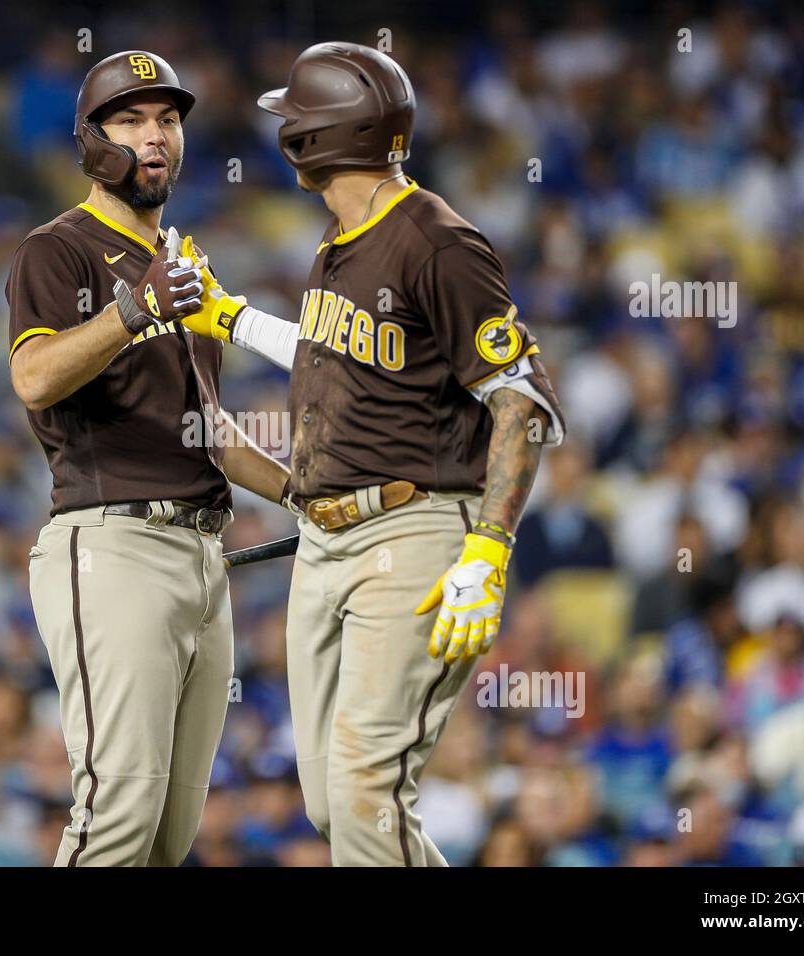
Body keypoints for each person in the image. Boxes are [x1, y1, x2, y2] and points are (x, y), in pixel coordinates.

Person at [184, 42, 564, 865]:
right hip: (326, 540)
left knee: (365, 797)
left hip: (412, 532)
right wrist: (235, 320)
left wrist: (488, 550)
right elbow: (344, 358)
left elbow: (522, 404)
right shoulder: (343, 238)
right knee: (334, 802)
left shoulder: (438, 242)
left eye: (294, 118)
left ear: (314, 141)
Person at [5, 51, 295, 866]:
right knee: (119, 814)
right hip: (114, 545)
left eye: (167, 118)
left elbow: (211, 430)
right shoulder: (57, 249)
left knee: (167, 841)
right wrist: (134, 310)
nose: (155, 134)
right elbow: (32, 377)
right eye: (130, 119)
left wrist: (306, 492)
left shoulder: (180, 267)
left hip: (204, 555)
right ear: (91, 142)